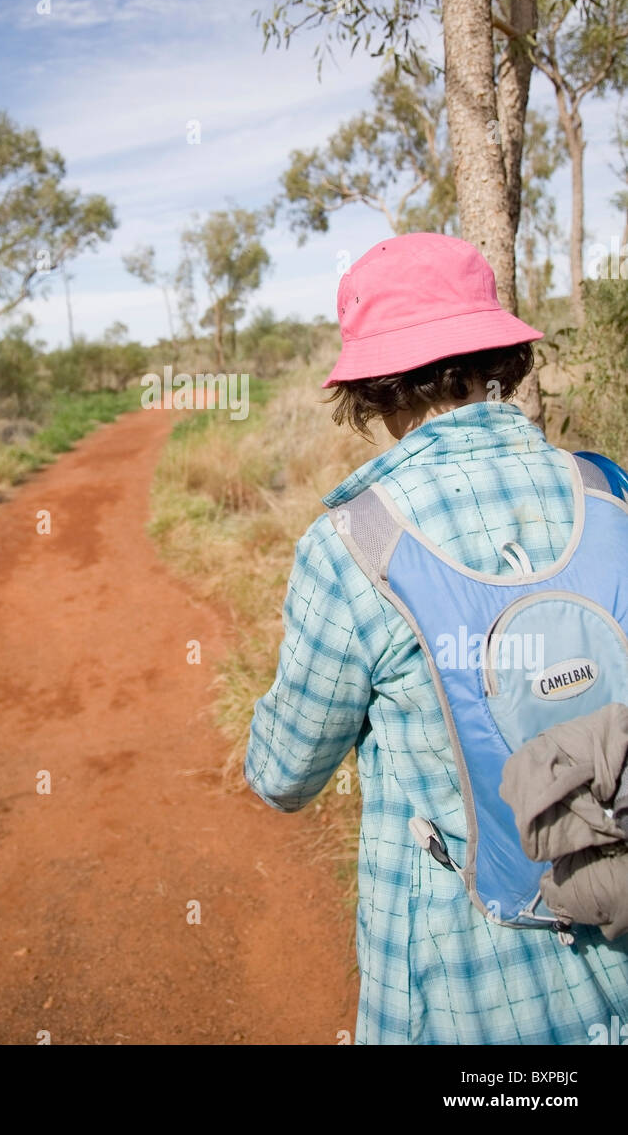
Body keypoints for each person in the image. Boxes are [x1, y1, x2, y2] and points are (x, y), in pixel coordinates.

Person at [244, 232, 628, 1045]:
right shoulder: (610, 490)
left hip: (471, 986)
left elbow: (283, 776)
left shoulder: (355, 544)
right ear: (504, 360)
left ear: (373, 389)